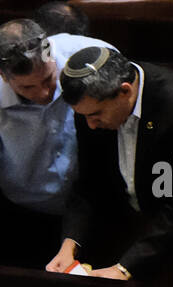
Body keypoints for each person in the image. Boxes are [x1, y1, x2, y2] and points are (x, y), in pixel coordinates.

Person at [52, 46, 173, 286]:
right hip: (130, 222)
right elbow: (89, 179)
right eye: (83, 116)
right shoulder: (90, 106)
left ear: (124, 91)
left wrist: (126, 267)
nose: (91, 125)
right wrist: (70, 244)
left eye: (96, 115)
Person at [0, 20, 113, 269]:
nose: (44, 93)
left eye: (48, 79)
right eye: (27, 87)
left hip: (94, 203)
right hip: (20, 210)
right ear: (3, 76)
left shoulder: (94, 60)